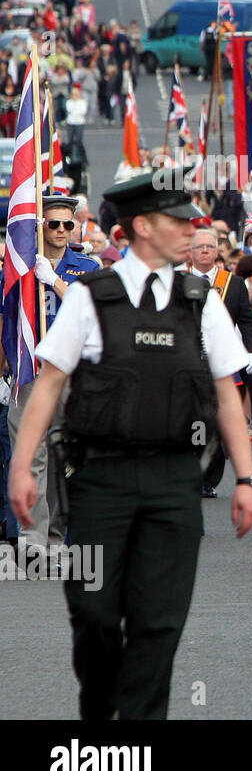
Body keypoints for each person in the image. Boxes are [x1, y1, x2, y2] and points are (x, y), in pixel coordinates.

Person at [7, 172, 252, 720]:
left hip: (173, 483)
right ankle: (100, 710)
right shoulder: (90, 298)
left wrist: (246, 478)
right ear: (143, 227)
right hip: (100, 483)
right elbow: (48, 383)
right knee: (95, 616)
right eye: (177, 220)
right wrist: (22, 467)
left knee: (158, 623)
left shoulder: (200, 302)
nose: (190, 230)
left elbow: (226, 394)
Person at [7, 196, 100, 557]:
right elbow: (8, 318)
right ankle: (32, 539)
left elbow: (93, 312)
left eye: (67, 224)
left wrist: (56, 282)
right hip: (31, 371)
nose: (61, 231)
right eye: (53, 224)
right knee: (31, 454)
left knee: (63, 456)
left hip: (71, 373)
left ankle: (57, 536)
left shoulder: (86, 266)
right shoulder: (19, 264)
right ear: (39, 226)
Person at [182, 227, 252, 495]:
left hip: (220, 366)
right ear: (190, 253)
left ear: (217, 252)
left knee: (215, 421)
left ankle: (208, 479)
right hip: (187, 364)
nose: (205, 250)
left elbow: (248, 322)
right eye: (199, 246)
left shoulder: (234, 283)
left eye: (209, 246)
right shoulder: (177, 282)